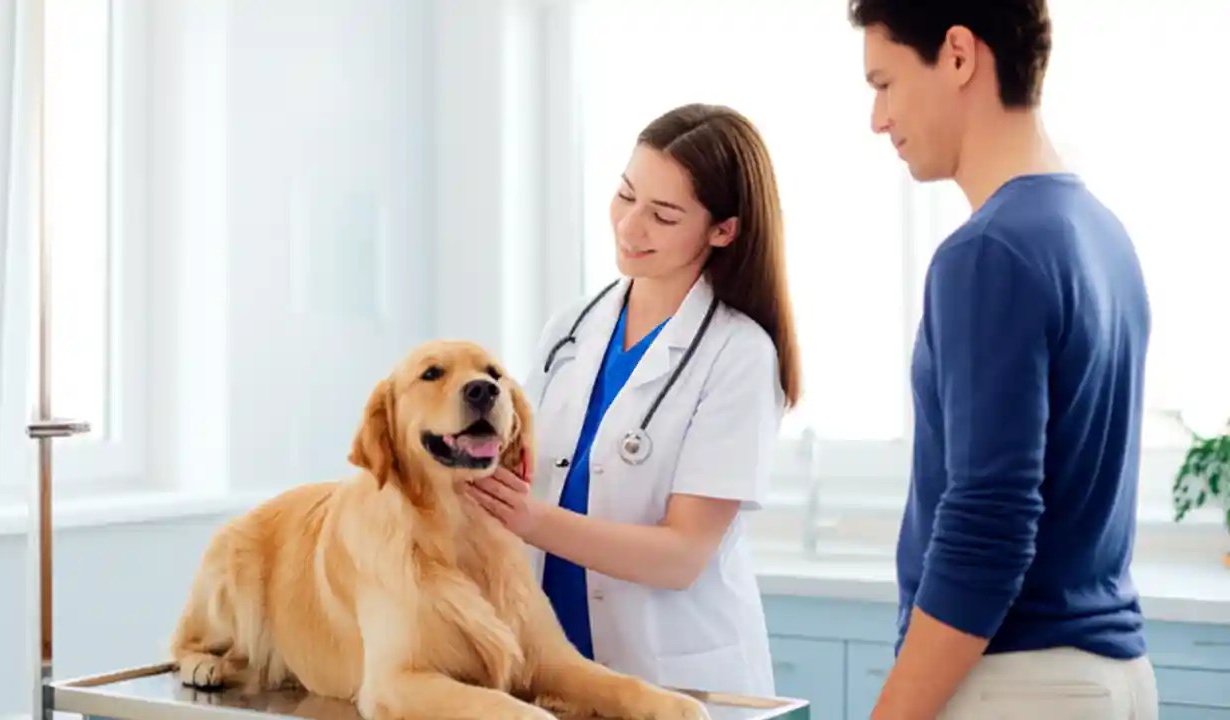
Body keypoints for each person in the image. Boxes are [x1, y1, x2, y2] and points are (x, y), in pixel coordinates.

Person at [847, 1, 1160, 718]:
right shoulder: (1102, 236)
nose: (878, 117)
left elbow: (986, 528)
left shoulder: (989, 251)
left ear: (958, 54)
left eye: (885, 83)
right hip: (1117, 678)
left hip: (1017, 683)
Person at [464, 102, 800, 698]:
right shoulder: (572, 328)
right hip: (554, 666)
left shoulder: (739, 355)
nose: (629, 226)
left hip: (674, 677)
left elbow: (681, 555)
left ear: (723, 230)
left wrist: (530, 518)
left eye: (663, 215)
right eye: (625, 195)